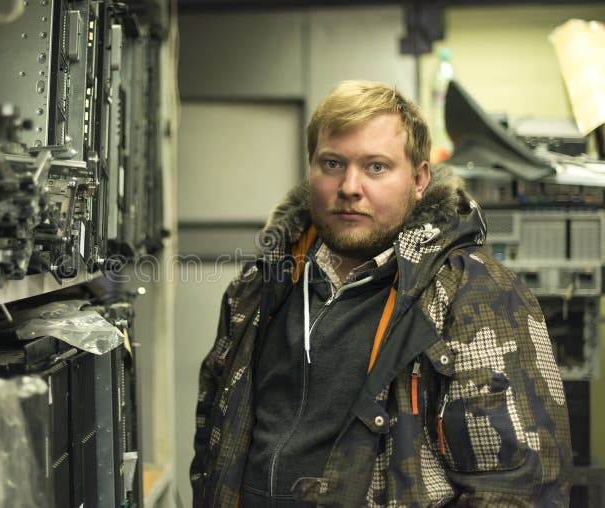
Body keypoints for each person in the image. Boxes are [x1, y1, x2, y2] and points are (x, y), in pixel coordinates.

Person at [190, 80, 572, 507]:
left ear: (419, 178)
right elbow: (212, 438)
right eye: (332, 164)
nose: (350, 186)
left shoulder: (474, 293)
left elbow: (519, 487)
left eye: (376, 167)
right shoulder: (259, 286)